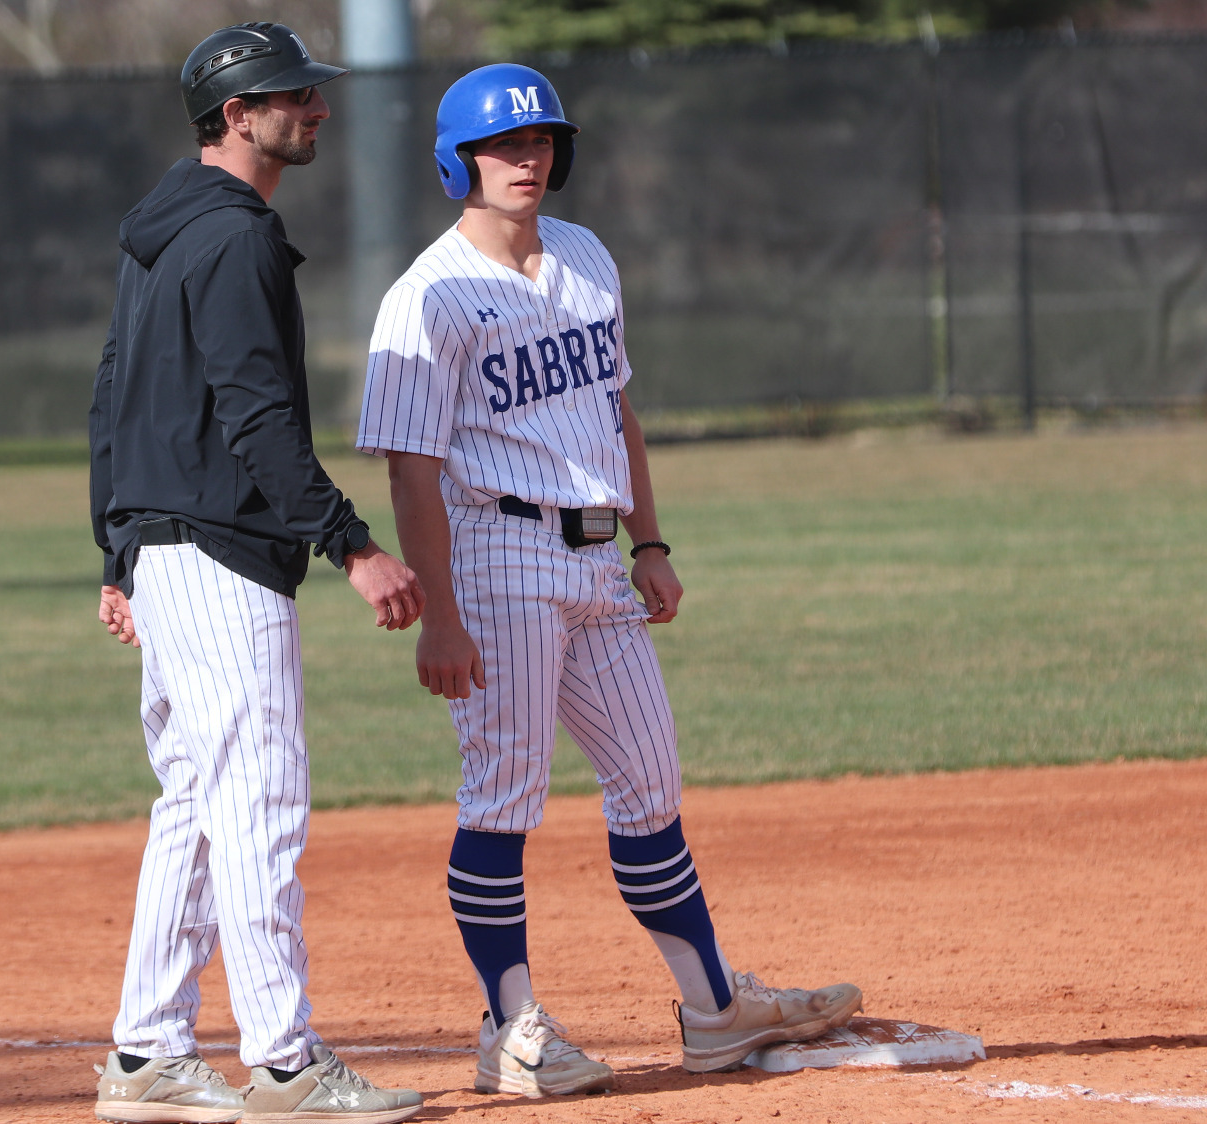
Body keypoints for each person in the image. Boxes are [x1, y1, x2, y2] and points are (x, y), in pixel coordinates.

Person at [356, 64, 866, 1097]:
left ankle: (713, 1006)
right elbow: (408, 467)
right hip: (495, 549)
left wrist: (649, 540)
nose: (525, 159)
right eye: (503, 146)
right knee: (502, 793)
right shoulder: (425, 296)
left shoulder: (586, 256)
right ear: (458, 160)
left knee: (650, 782)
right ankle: (509, 1026)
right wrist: (438, 614)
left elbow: (616, 411)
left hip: (598, 554)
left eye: (540, 141)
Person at [87, 22, 426, 1124]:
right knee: (259, 800)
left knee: (192, 800)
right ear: (236, 114)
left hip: (166, 546)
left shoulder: (162, 229)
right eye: (293, 95)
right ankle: (283, 1062)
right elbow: (255, 411)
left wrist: (118, 551)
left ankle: (146, 1051)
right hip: (218, 553)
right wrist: (351, 542)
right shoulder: (230, 235)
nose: (314, 108)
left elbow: (109, 399)